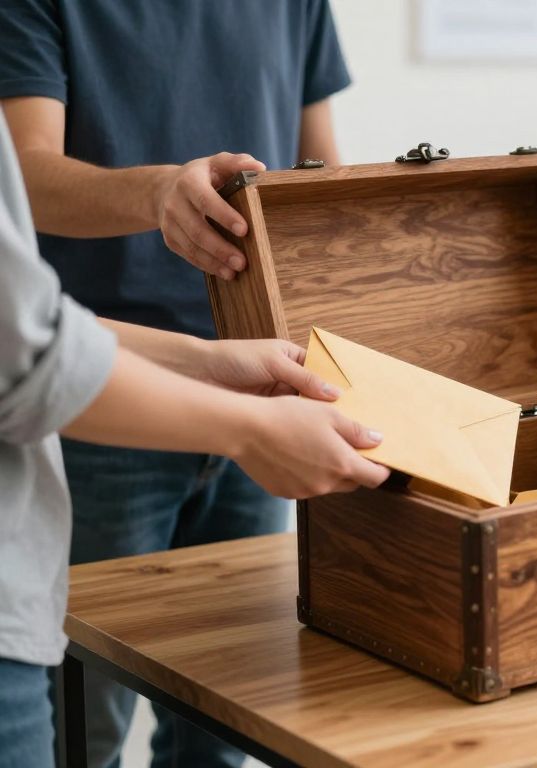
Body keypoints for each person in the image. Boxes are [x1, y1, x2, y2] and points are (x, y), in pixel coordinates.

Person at [0, 2, 351, 765]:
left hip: (262, 377)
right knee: (83, 725)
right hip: (102, 409)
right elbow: (19, 178)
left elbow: (318, 171)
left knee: (227, 729)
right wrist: (158, 193)